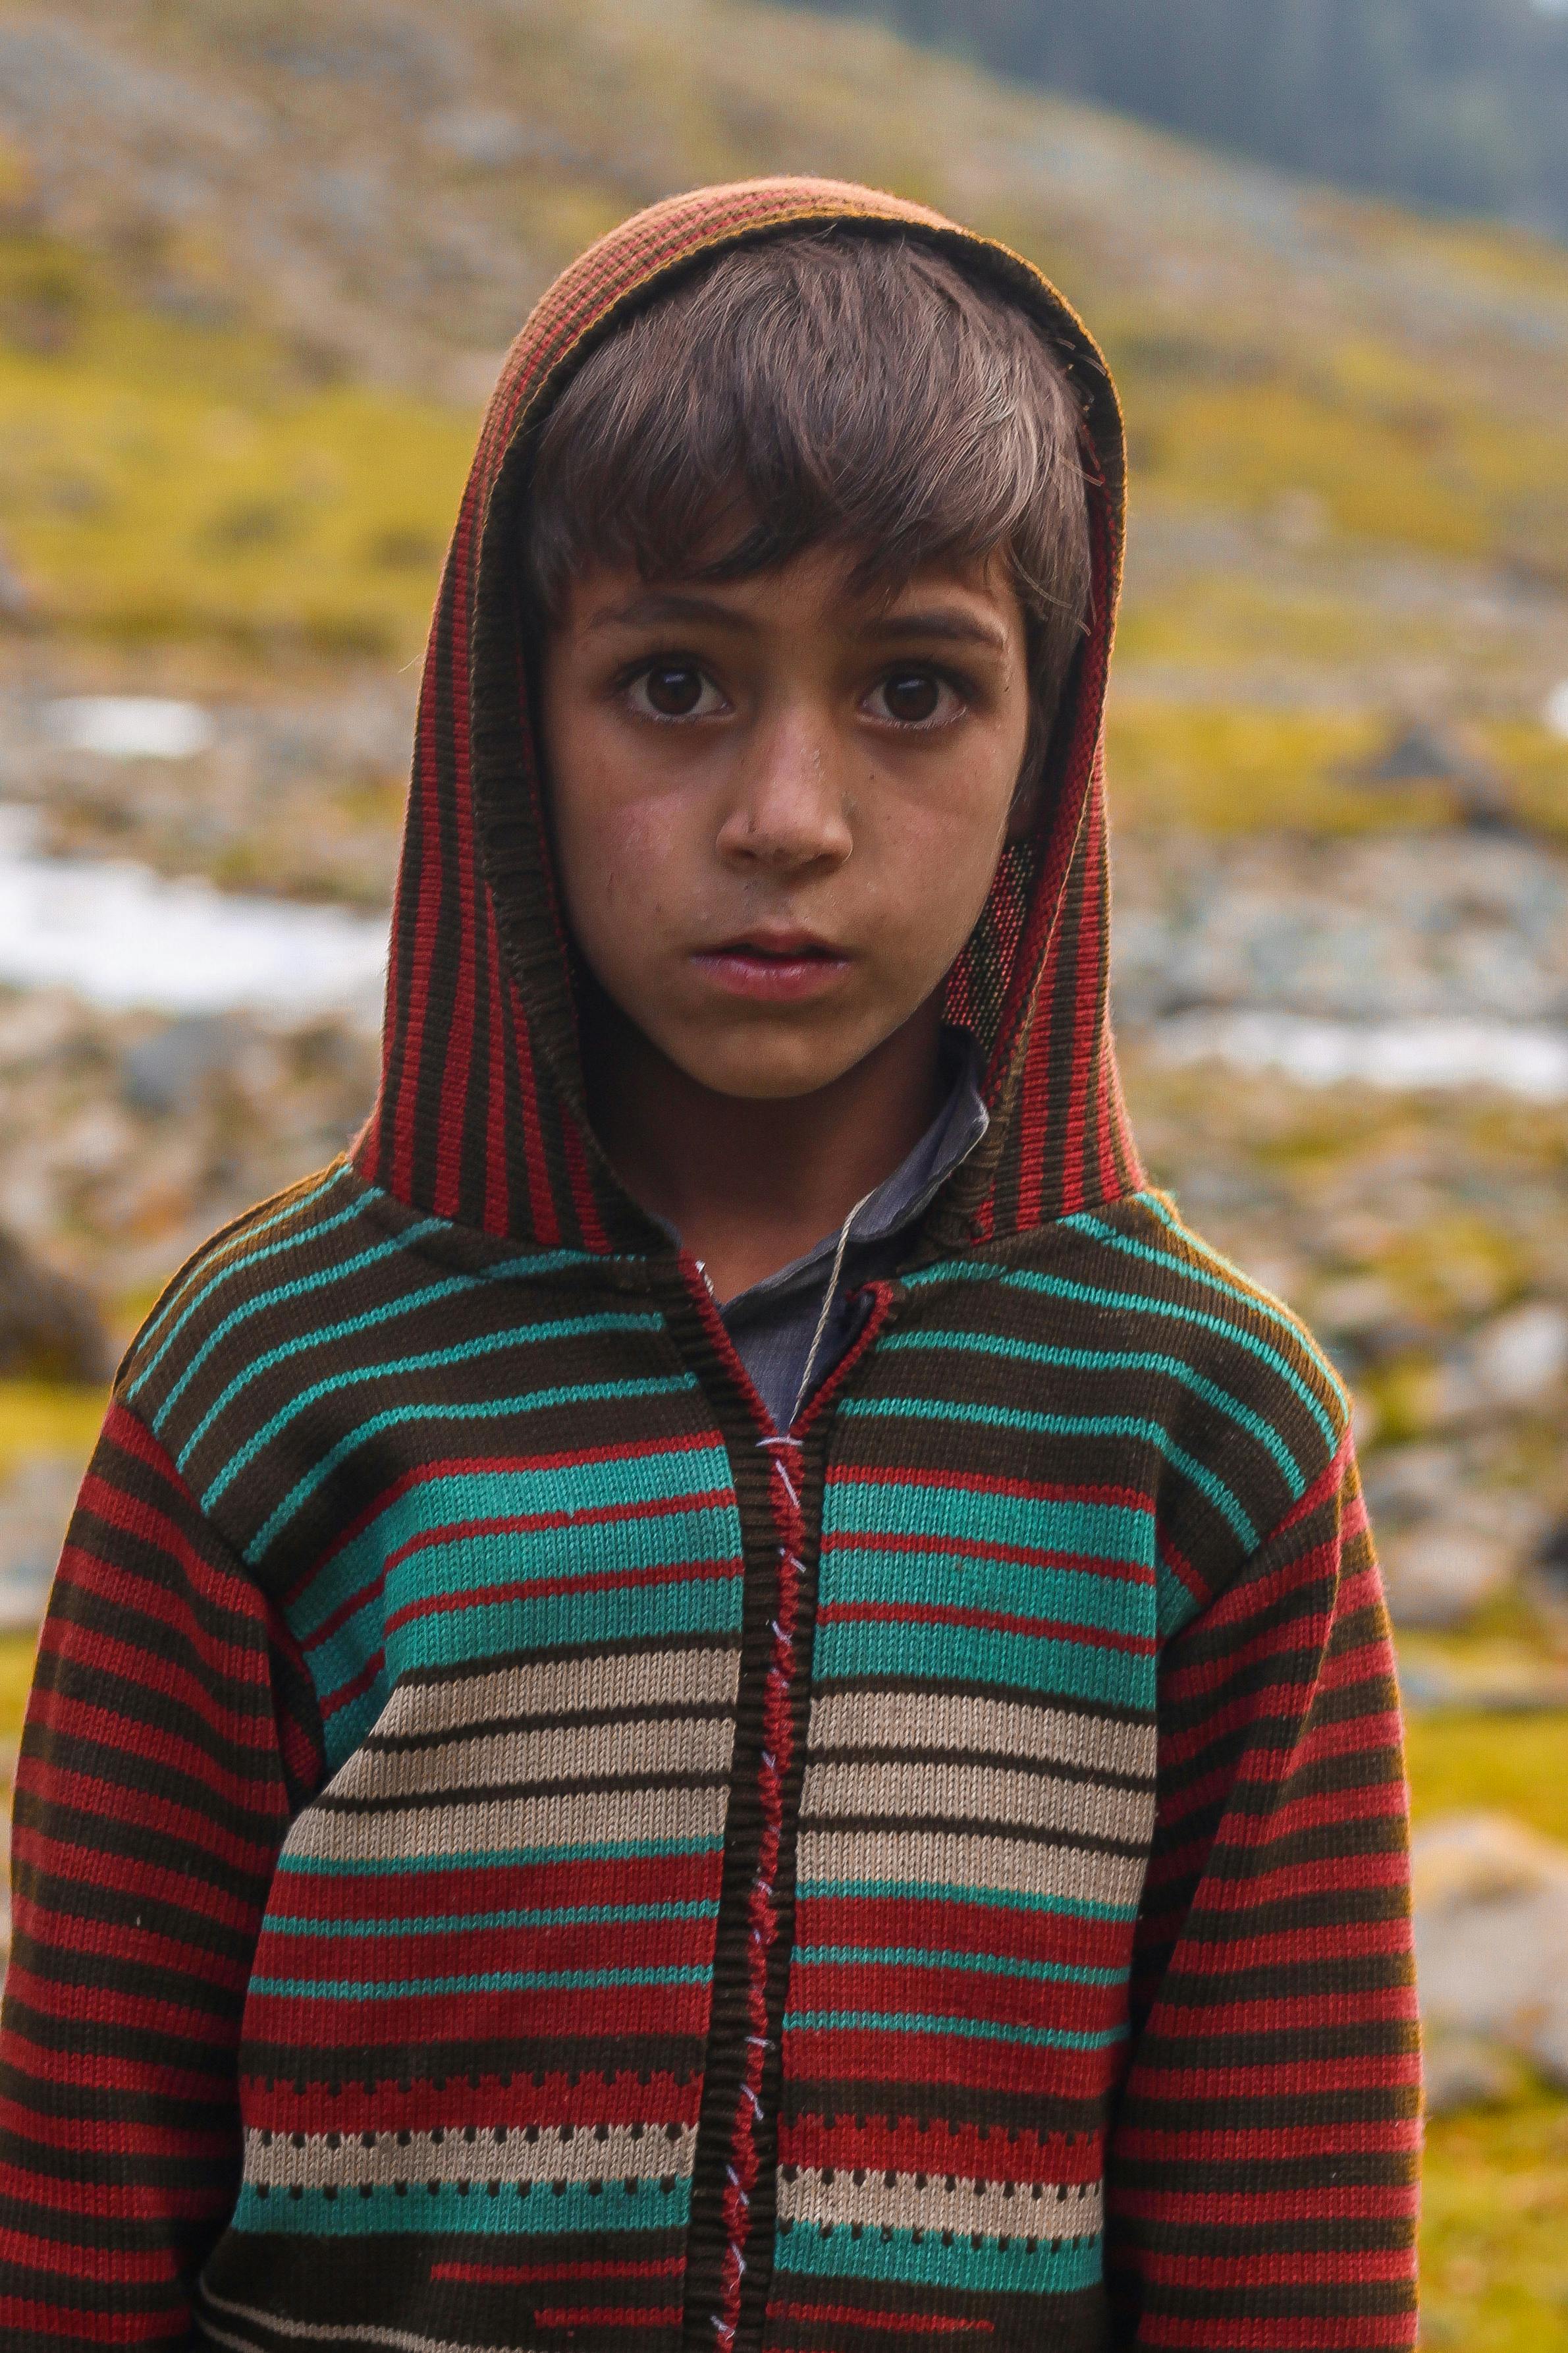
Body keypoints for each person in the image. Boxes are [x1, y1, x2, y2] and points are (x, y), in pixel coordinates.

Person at [0, 179, 1419, 2353]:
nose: (788, 813)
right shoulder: (267, 1388)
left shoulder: (1204, 1436)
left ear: (1049, 749)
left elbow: (1289, 2258)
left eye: (915, 689)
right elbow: (74, 2208)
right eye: (673, 682)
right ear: (511, 723)